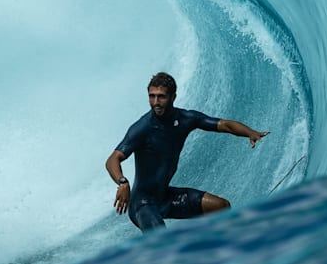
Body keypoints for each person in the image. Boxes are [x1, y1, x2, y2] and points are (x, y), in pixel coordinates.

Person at [105, 72, 269, 232]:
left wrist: (249, 132)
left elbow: (224, 124)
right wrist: (122, 181)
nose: (156, 102)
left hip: (166, 198)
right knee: (161, 237)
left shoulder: (186, 119)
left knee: (221, 206)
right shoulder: (142, 128)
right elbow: (113, 159)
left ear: (173, 97)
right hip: (142, 203)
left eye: (161, 96)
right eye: (151, 96)